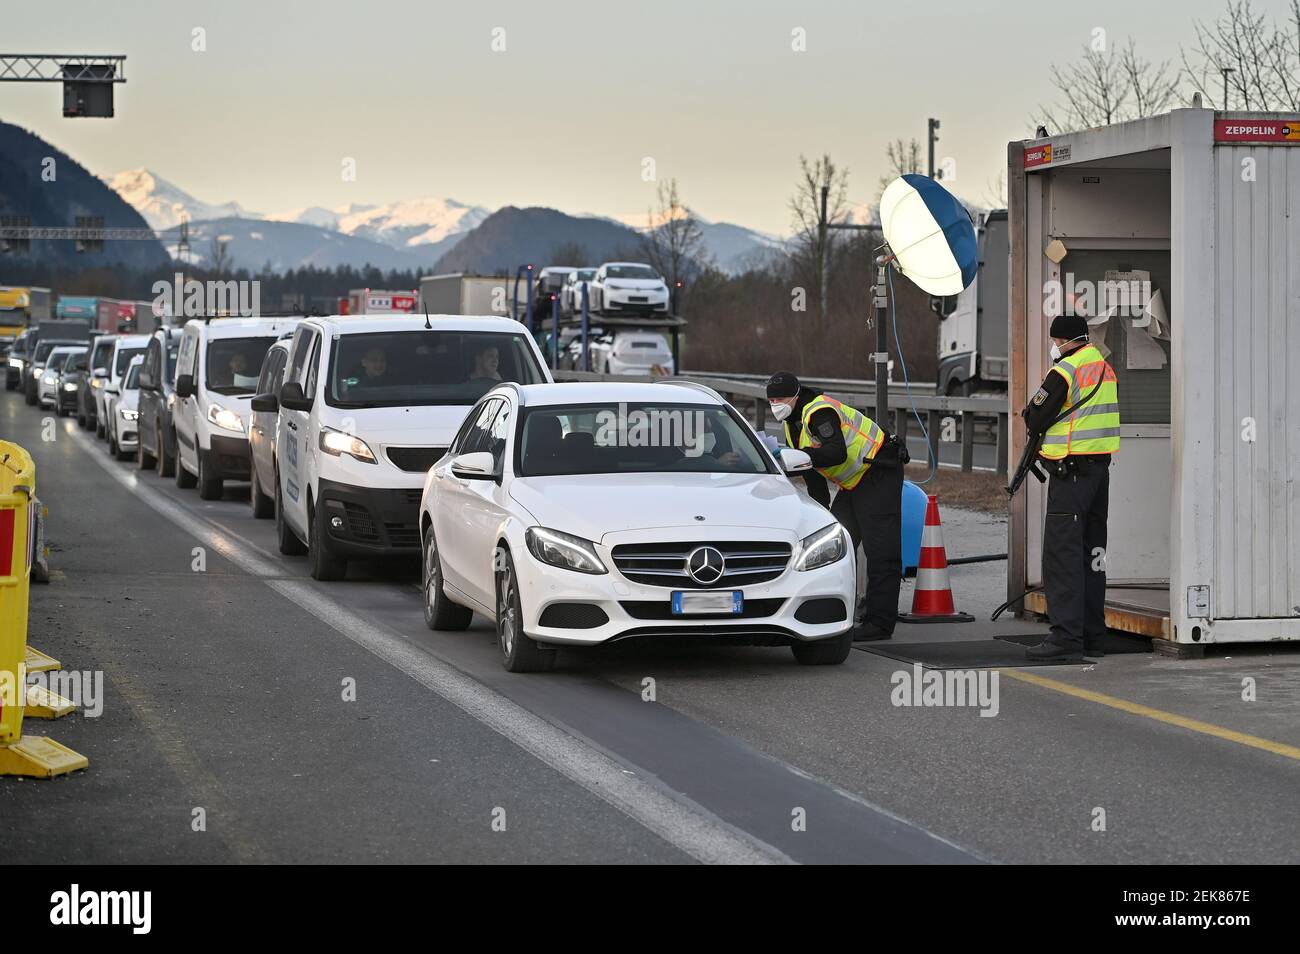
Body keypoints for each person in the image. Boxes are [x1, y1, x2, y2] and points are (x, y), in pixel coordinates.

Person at [766, 371, 906, 641]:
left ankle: (880, 623)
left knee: (881, 551)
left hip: (879, 470)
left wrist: (800, 456)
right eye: (771, 400)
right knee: (835, 546)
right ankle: (834, 613)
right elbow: (809, 469)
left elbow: (835, 452)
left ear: (795, 395)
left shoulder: (819, 412)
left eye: (780, 398)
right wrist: (819, 515)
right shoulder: (792, 423)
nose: (775, 405)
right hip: (854, 482)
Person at [1020, 313, 1120, 661]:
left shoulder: (1065, 370)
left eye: (1055, 340)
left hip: (1071, 473)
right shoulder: (1104, 367)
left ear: (1061, 340)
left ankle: (1065, 641)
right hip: (1098, 473)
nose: (1054, 346)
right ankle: (1093, 636)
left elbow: (1034, 416)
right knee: (1092, 556)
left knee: (1063, 557)